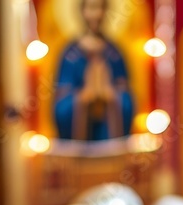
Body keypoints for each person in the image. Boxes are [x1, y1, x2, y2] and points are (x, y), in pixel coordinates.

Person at [54, 0, 133, 141]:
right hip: (80, 143)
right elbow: (60, 104)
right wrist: (82, 98)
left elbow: (127, 100)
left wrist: (112, 96)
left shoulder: (114, 54)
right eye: (91, 8)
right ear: (82, 11)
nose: (96, 14)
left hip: (108, 138)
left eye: (101, 8)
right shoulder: (70, 56)